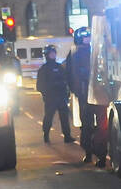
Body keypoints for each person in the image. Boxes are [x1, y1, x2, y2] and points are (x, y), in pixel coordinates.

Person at [65, 27, 106, 166]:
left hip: (97, 94)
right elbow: (70, 74)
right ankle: (89, 152)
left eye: (89, 37)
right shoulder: (74, 53)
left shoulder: (96, 51)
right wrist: (76, 91)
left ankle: (100, 155)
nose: (87, 39)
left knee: (100, 126)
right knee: (87, 126)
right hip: (84, 96)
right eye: (85, 37)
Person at [36, 44, 73, 144]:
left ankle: (67, 136)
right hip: (51, 98)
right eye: (51, 53)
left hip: (61, 97)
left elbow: (65, 80)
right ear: (47, 55)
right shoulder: (44, 69)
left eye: (54, 53)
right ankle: (46, 135)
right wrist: (47, 93)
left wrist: (66, 91)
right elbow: (39, 86)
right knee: (48, 117)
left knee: (64, 118)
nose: (53, 55)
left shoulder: (59, 67)